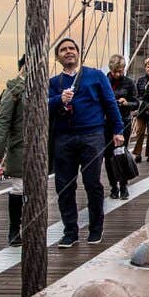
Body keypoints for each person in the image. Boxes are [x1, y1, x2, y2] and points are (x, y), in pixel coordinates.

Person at [48, 35, 123, 248]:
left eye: (72, 48)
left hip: (92, 135)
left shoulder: (96, 76)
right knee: (64, 185)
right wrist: (58, 100)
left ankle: (95, 229)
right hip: (64, 137)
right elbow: (44, 108)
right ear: (58, 58)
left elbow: (110, 103)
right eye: (63, 50)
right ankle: (70, 232)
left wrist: (118, 130)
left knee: (92, 183)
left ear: (78, 53)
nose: (68, 51)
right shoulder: (54, 83)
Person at [0, 55, 26, 245]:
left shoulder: (46, 89)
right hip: (19, 147)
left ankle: (31, 227)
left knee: (36, 189)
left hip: (41, 149)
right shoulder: (13, 90)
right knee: (19, 188)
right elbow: (3, 121)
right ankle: (14, 230)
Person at [104, 54, 137, 199]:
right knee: (108, 156)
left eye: (120, 71)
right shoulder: (103, 81)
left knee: (120, 154)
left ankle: (123, 186)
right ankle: (113, 187)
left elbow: (136, 103)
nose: (118, 74)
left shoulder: (129, 83)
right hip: (106, 124)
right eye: (115, 71)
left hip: (124, 122)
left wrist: (126, 103)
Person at [130, 57, 149, 159]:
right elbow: (137, 94)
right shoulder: (140, 80)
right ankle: (138, 153)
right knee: (140, 132)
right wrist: (137, 105)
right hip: (142, 109)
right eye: (147, 67)